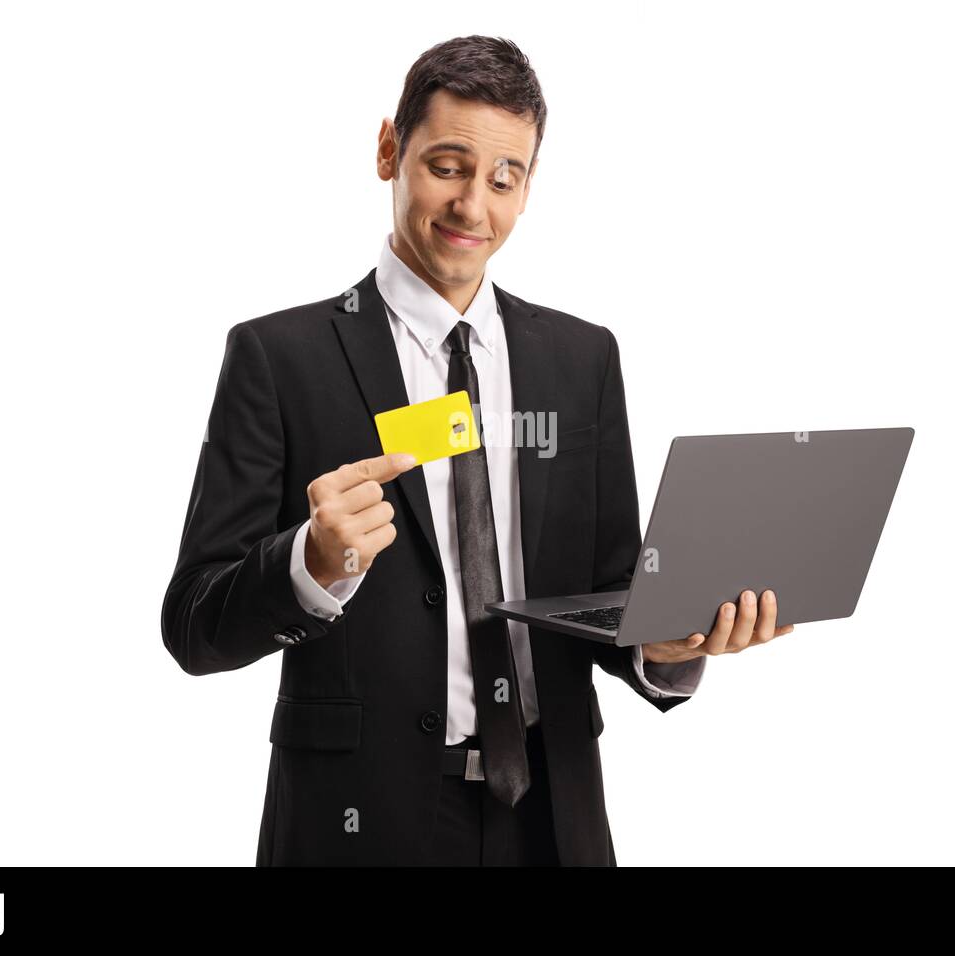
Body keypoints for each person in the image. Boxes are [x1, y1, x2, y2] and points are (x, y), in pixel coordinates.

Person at [161, 34, 792, 867]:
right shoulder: (280, 360)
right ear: (390, 149)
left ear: (529, 186)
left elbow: (610, 593)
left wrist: (662, 647)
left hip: (553, 815)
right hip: (357, 822)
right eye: (448, 166)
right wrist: (308, 565)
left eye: (506, 178)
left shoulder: (582, 360)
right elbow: (194, 626)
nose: (474, 208)